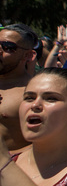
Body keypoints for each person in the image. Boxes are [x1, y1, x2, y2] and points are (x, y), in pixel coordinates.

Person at [0, 23, 39, 153]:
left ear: (28, 55)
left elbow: (46, 141)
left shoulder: (34, 92)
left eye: (8, 47)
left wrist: (7, 157)